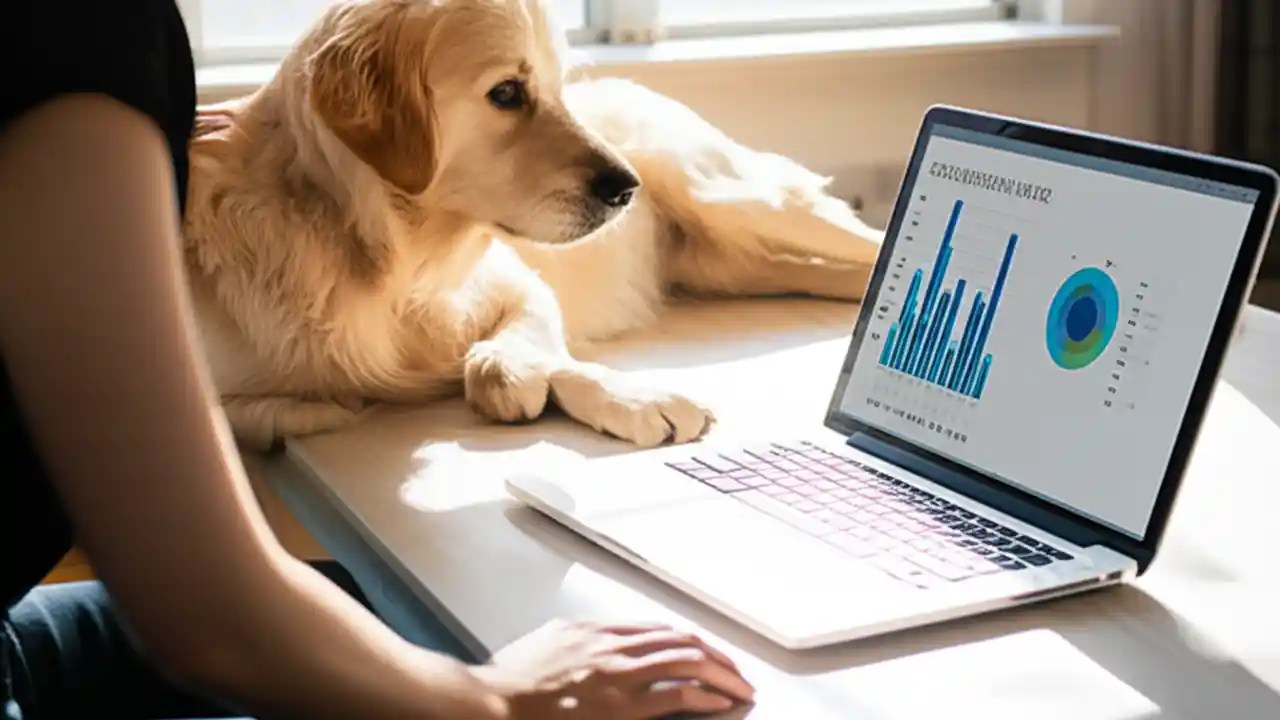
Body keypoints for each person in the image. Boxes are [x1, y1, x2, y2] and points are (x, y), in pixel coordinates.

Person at [0, 2, 755, 718]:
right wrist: (497, 702)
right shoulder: (75, 32)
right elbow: (204, 614)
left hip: (10, 632)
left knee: (397, 606)